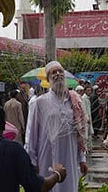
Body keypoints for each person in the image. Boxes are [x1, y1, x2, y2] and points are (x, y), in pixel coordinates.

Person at [26, 61, 88, 192]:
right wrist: (32, 162)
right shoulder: (40, 102)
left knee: (69, 186)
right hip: (47, 155)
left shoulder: (74, 101)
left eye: (60, 71)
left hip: (70, 154)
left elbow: (81, 132)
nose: (58, 74)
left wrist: (82, 158)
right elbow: (32, 134)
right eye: (53, 72)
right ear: (48, 79)